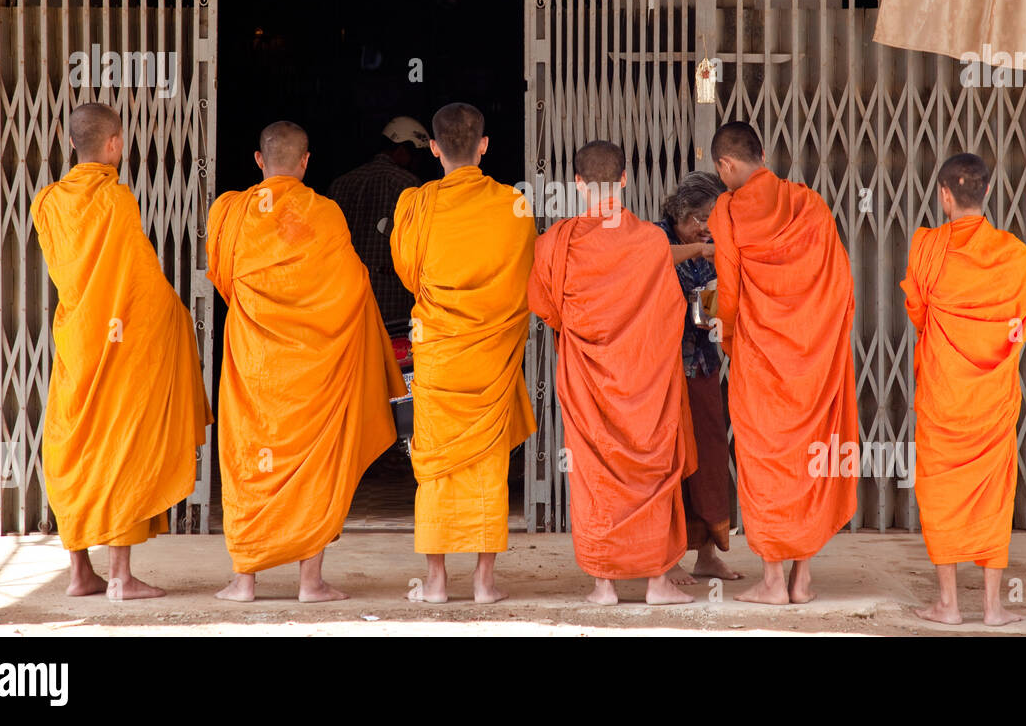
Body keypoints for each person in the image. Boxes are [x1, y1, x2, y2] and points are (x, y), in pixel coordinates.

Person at [208, 120, 404, 602]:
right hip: (316, 370)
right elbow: (355, 288)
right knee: (317, 464)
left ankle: (244, 580)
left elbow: (222, 278)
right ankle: (309, 582)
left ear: (259, 160)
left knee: (251, 463)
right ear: (305, 161)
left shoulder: (231, 212)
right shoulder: (326, 213)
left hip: (255, 366)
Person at [30, 102, 211, 600]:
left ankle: (79, 573)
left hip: (78, 342)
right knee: (120, 446)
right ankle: (122, 577)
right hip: (120, 344)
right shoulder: (116, 200)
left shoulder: (46, 202)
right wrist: (175, 319)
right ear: (114, 144)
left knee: (75, 445)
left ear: (72, 144)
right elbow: (139, 279)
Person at [528, 140, 694, 606]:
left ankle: (603, 585)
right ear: (624, 179)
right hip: (645, 380)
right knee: (651, 470)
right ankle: (656, 582)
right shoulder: (651, 241)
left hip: (588, 383)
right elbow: (670, 311)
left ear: (577, 184)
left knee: (595, 475)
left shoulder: (554, 243)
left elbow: (545, 307)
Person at [707, 121, 859, 604]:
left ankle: (772, 581)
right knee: (809, 460)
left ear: (726, 166)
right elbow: (841, 286)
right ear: (763, 154)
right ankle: (802, 578)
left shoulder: (727, 212)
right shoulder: (809, 204)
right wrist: (822, 344)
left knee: (768, 462)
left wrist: (730, 337)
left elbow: (727, 296)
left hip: (763, 362)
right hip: (813, 360)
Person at [390, 103, 536, 604]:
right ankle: (483, 583)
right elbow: (525, 280)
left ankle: (434, 582)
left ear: (433, 148)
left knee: (434, 465)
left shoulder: (416, 204)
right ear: (484, 145)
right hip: (490, 356)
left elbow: (409, 273)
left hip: (440, 352)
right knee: (487, 466)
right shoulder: (514, 205)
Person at [901, 153, 1026, 627]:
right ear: (989, 193)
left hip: (943, 395)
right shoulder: (1015, 254)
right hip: (993, 397)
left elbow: (917, 312)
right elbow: (1020, 324)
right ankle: (994, 607)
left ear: (944, 196)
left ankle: (949, 606)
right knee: (993, 496)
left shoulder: (927, 247)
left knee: (941, 493)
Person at [656, 171, 743, 586]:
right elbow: (653, 263)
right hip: (662, 371)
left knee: (708, 460)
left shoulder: (716, 246)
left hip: (703, 365)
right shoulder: (655, 238)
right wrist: (698, 251)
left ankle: (707, 554)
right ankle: (665, 558)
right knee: (669, 462)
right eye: (705, 218)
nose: (710, 226)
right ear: (687, 216)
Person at [327, 116, 430, 325]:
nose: (417, 163)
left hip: (344, 301)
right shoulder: (409, 184)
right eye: (416, 155)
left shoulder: (340, 184)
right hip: (394, 304)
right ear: (402, 149)